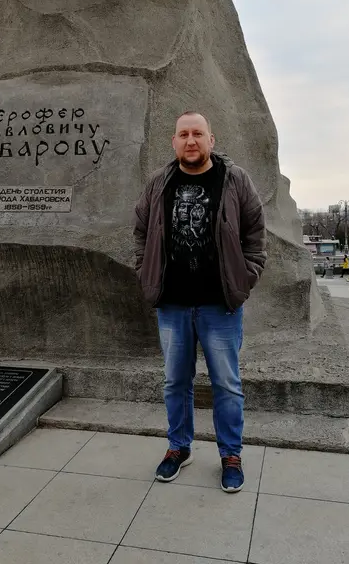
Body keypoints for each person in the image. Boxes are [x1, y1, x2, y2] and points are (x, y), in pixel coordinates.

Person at [133, 111, 267, 493]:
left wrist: (245, 278)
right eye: (183, 134)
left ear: (211, 140)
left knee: (227, 384)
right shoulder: (159, 183)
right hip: (172, 305)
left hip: (219, 305)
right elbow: (140, 229)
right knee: (175, 382)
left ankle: (231, 455)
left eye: (197, 133)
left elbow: (255, 233)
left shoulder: (235, 179)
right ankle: (179, 447)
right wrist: (145, 271)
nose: (190, 141)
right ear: (174, 142)